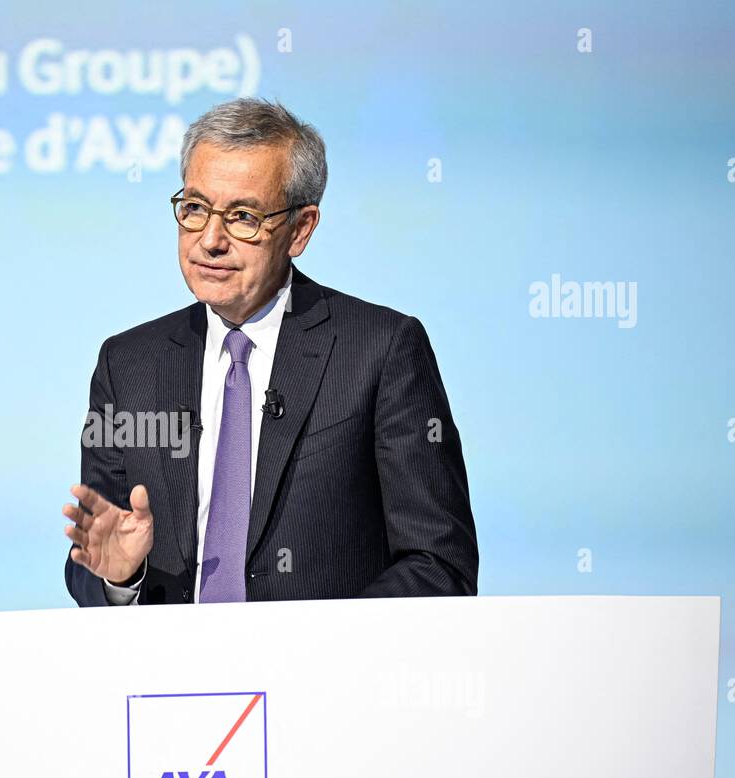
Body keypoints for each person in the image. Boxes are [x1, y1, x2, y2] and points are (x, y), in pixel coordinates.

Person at [63, 97, 478, 606]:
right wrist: (119, 578)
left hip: (328, 677)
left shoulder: (381, 350)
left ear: (300, 229)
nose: (210, 240)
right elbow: (91, 562)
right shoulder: (128, 365)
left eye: (242, 216)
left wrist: (312, 646)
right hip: (173, 679)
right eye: (194, 209)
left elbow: (439, 564)